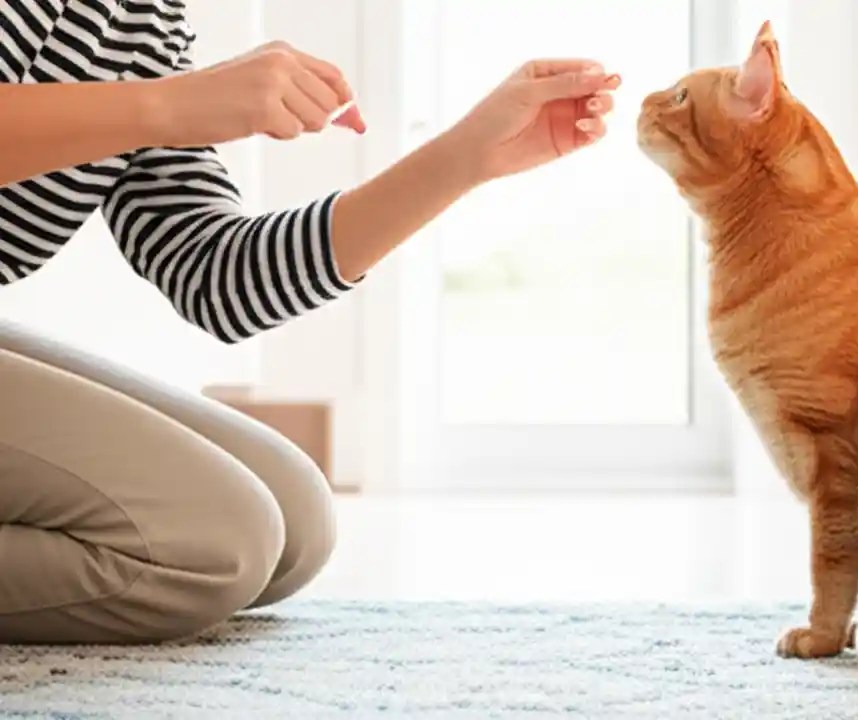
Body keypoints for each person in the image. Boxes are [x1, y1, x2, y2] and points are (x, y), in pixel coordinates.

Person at [0, 2, 619, 644]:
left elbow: (215, 277)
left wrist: (465, 157)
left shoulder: (147, 20)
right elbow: (166, 110)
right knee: (216, 544)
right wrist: (171, 105)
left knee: (294, 522)